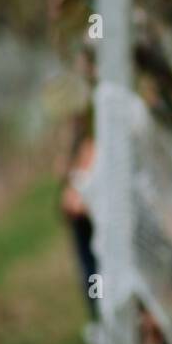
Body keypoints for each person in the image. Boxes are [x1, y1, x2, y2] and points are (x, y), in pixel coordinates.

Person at [59, 110, 98, 320]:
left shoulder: (93, 140)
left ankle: (100, 314)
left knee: (94, 270)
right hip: (81, 217)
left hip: (89, 215)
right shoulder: (79, 139)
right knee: (90, 270)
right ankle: (98, 316)